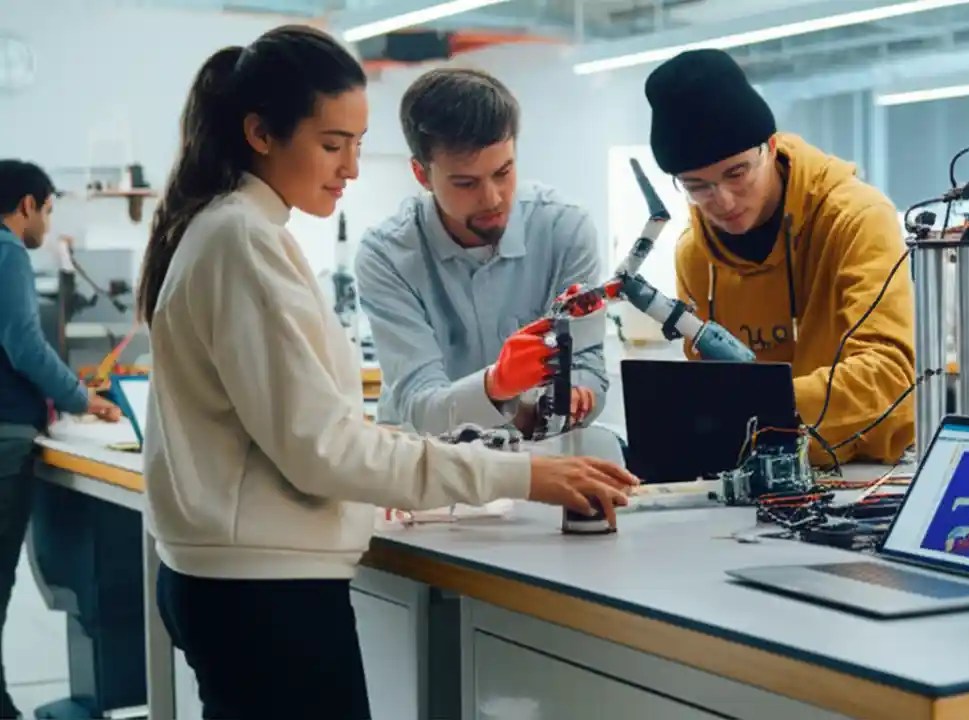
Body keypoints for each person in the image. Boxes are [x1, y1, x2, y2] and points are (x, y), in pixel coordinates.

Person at [137, 26, 636, 719]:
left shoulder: (235, 231)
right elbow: (326, 450)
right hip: (264, 595)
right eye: (331, 145)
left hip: (249, 588)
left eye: (357, 145)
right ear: (259, 133)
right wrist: (525, 474)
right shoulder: (243, 241)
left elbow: (319, 437)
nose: (348, 169)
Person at [644, 49, 915, 465]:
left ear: (769, 147)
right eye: (698, 186)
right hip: (763, 472)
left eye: (737, 173)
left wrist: (762, 401)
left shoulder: (858, 219)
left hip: (870, 470)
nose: (724, 201)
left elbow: (890, 374)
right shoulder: (694, 255)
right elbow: (708, 394)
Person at [356, 67, 607, 439]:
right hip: (425, 460)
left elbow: (588, 365)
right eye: (465, 182)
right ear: (422, 174)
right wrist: (496, 385)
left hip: (536, 450)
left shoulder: (565, 230)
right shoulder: (387, 255)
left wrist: (574, 396)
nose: (491, 198)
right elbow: (422, 403)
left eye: (503, 172)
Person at [0, 159, 121, 719]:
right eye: (47, 211)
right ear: (27, 205)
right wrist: (79, 397)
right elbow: (23, 343)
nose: (46, 226)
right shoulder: (8, 253)